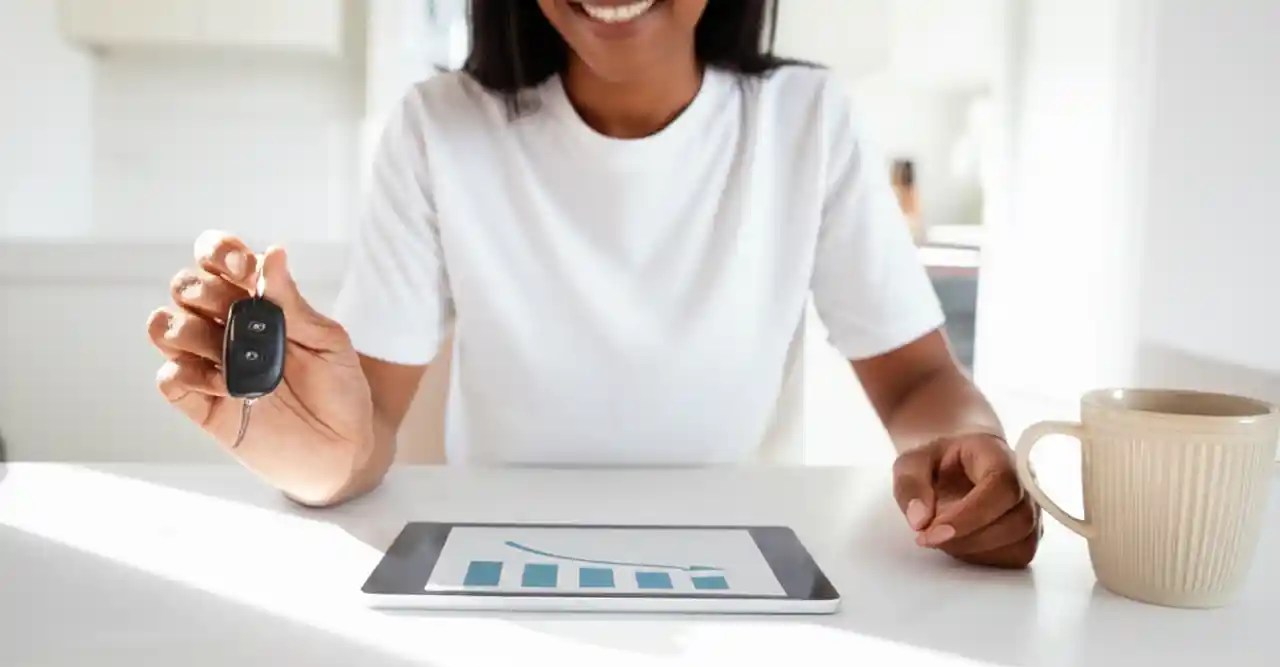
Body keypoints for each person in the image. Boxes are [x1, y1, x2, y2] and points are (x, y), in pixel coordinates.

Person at [145, 0, 1040, 569]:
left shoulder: (807, 120)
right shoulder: (439, 128)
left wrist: (968, 447)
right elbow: (363, 428)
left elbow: (919, 380)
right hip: (496, 561)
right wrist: (308, 449)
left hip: (743, 559)